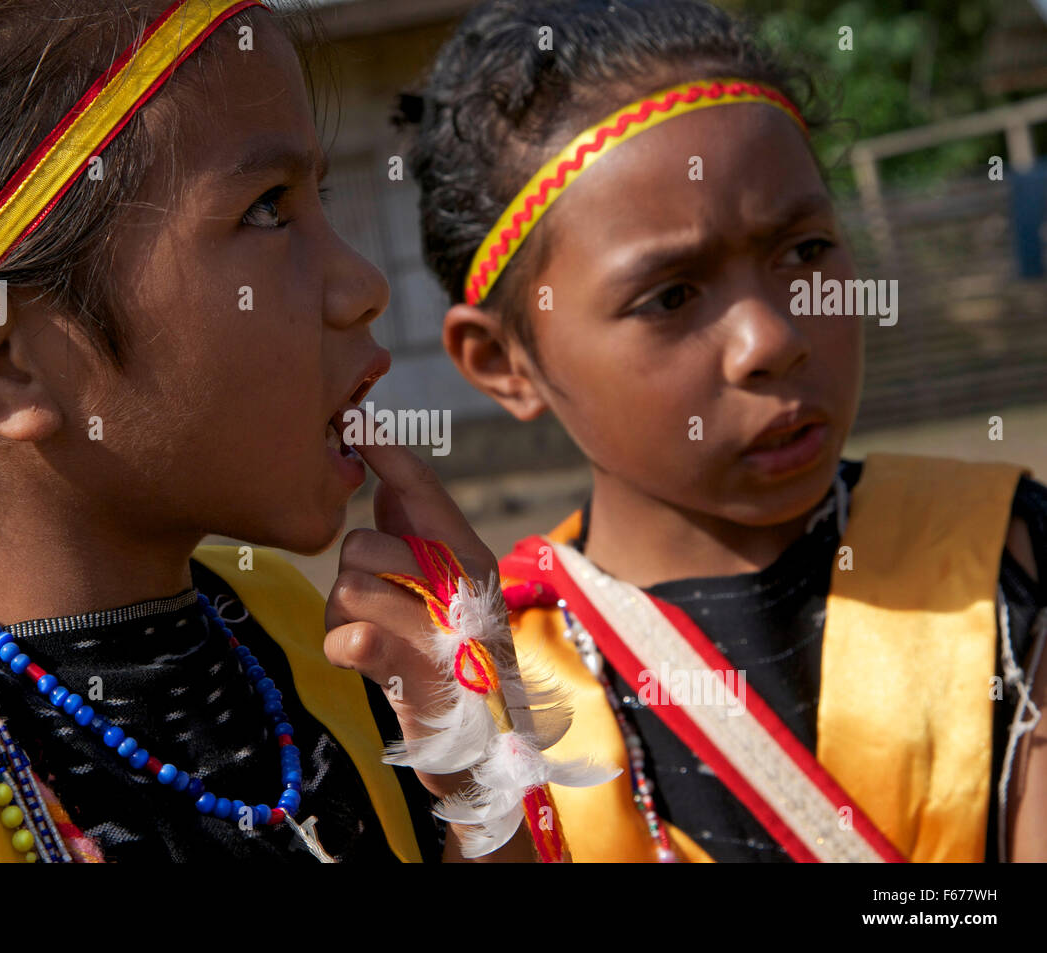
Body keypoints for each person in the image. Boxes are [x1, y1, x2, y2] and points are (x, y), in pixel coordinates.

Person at [0, 0, 535, 864]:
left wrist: (483, 784)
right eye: (267, 209)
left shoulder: (333, 661)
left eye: (323, 196)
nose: (362, 284)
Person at [404, 0, 1047, 861]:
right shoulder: (490, 703)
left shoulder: (999, 555)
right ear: (500, 360)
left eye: (805, 252)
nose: (772, 339)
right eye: (670, 296)